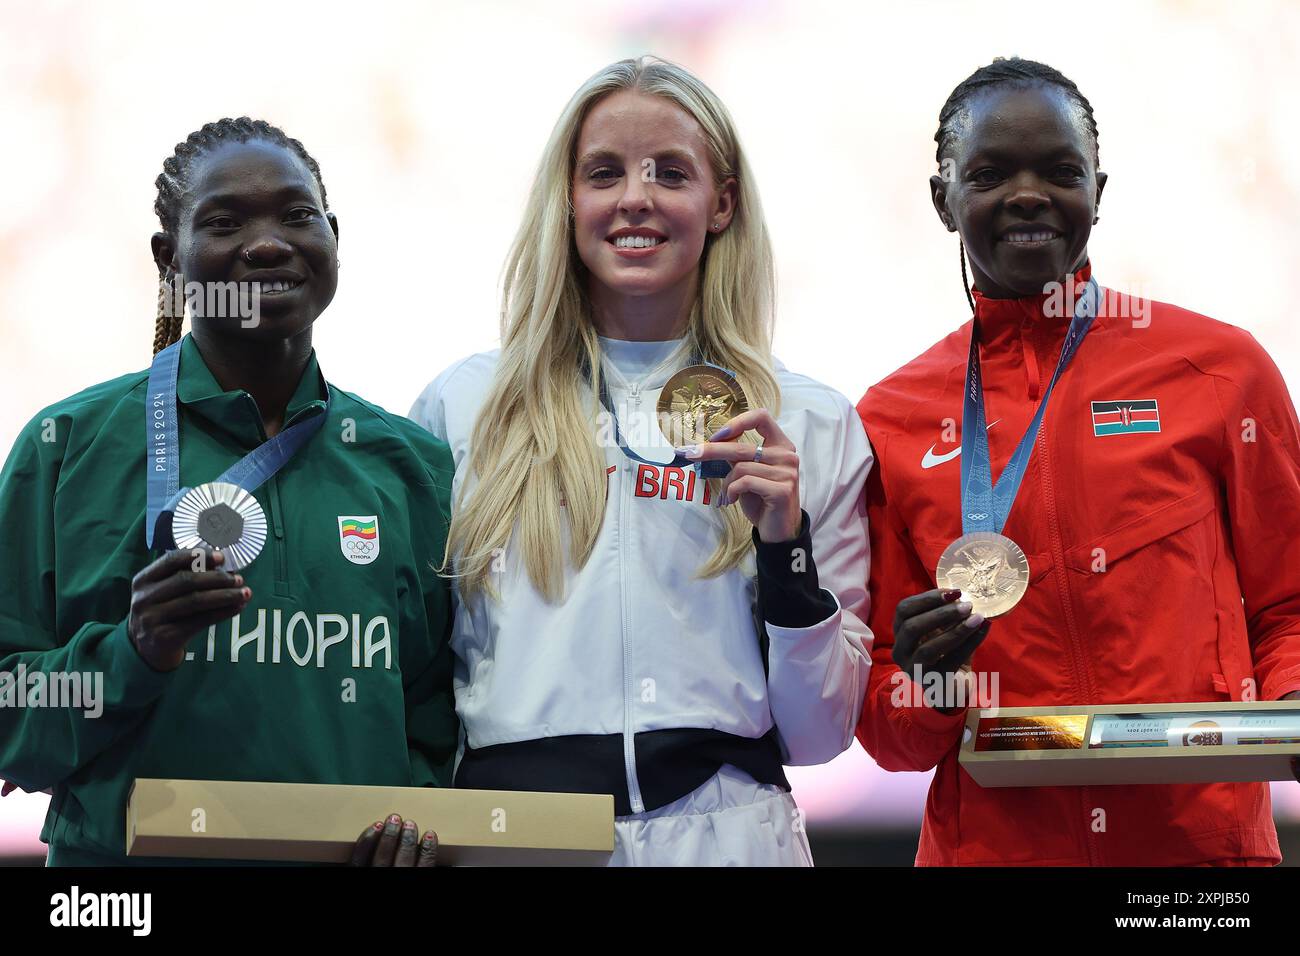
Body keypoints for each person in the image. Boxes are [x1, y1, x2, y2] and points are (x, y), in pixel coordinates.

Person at [405, 56, 873, 866]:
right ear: (569, 199)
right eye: (604, 172)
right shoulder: (463, 406)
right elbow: (420, 671)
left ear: (721, 202)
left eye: (670, 172)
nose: (635, 198)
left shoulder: (807, 421)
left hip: (728, 835)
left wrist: (785, 553)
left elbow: (820, 732)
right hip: (518, 840)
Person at [856, 58, 1300, 865]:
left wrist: (1290, 713)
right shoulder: (886, 421)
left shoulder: (1221, 371)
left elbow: (1292, 604)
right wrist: (929, 686)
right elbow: (891, 736)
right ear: (942, 199)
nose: (1028, 195)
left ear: (1098, 190)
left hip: (1199, 862)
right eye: (991, 174)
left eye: (1060, 171)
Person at [0, 117, 457, 865]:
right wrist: (132, 653)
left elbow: (437, 716)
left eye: (297, 215)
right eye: (224, 222)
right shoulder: (66, 449)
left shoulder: (411, 468)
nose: (269, 242)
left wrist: (420, 827)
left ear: (334, 238)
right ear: (168, 261)